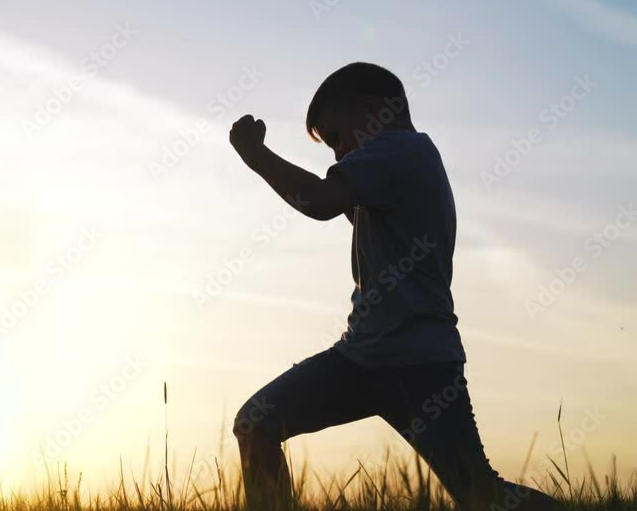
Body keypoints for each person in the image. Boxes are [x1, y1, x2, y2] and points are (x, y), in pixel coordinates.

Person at [227, 62, 555, 510]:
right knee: (257, 423)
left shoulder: (399, 148)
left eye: (338, 138)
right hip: (368, 357)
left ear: (375, 110)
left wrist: (254, 155)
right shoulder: (404, 163)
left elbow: (321, 201)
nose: (339, 157)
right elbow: (348, 209)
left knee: (481, 494)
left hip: (416, 362)